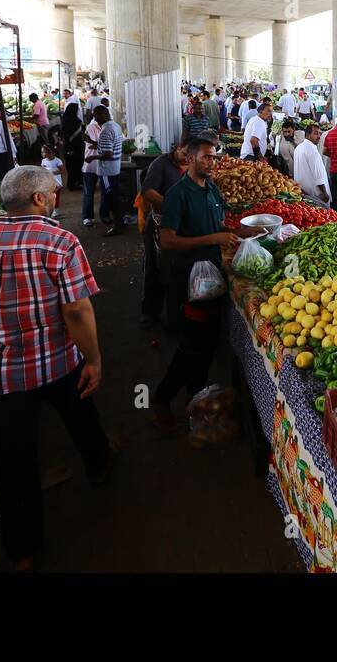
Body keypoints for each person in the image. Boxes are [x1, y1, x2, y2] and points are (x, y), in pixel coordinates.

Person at [0, 165, 112, 571]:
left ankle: (22, 550)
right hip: (58, 361)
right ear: (39, 199)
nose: (57, 196)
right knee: (82, 415)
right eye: (53, 191)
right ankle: (99, 467)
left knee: (16, 461)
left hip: (4, 374)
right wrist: (93, 359)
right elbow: (77, 310)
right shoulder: (59, 243)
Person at [150, 133, 259, 433]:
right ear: (190, 157)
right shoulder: (177, 194)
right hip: (190, 282)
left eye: (215, 157)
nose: (212, 162)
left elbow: (218, 226)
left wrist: (244, 232)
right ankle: (161, 398)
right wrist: (214, 239)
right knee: (192, 345)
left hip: (212, 278)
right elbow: (168, 240)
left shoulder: (211, 189)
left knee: (207, 343)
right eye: (207, 157)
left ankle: (195, 403)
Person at [138, 141, 189, 330]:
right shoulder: (161, 164)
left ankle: (177, 316)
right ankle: (150, 311)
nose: (186, 158)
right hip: (159, 224)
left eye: (190, 156)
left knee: (177, 272)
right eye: (184, 153)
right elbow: (147, 191)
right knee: (154, 268)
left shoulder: (193, 165)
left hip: (183, 227)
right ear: (176, 148)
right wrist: (171, 203)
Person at [92, 105, 126, 236]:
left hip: (107, 170)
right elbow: (107, 147)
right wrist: (90, 141)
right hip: (114, 168)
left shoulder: (106, 130)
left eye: (96, 115)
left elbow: (108, 154)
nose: (95, 119)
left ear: (103, 114)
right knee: (114, 196)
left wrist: (92, 157)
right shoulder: (115, 126)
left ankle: (118, 226)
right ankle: (119, 222)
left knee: (111, 197)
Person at [293, 123, 331, 205]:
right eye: (315, 133)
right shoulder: (312, 150)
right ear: (308, 135)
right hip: (317, 194)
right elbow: (318, 175)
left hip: (303, 191)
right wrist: (324, 193)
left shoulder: (298, 148)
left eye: (319, 133)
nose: (319, 136)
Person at [60, 89, 85, 190]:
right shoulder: (75, 121)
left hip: (70, 147)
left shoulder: (65, 120)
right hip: (74, 147)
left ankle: (74, 183)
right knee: (76, 165)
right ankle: (74, 183)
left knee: (72, 166)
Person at [81, 109, 101, 227]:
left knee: (105, 191)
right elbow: (92, 144)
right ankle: (87, 216)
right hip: (91, 164)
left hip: (103, 164)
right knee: (89, 192)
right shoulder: (91, 127)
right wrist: (105, 144)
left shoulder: (108, 125)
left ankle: (105, 215)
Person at [40, 144, 64, 219]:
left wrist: (53, 172)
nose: (42, 154)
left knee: (56, 196)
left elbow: (62, 170)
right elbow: (42, 169)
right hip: (47, 181)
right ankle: (49, 210)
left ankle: (56, 211)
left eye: (44, 152)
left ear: (51, 152)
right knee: (47, 196)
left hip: (57, 182)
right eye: (42, 152)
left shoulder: (57, 160)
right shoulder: (43, 161)